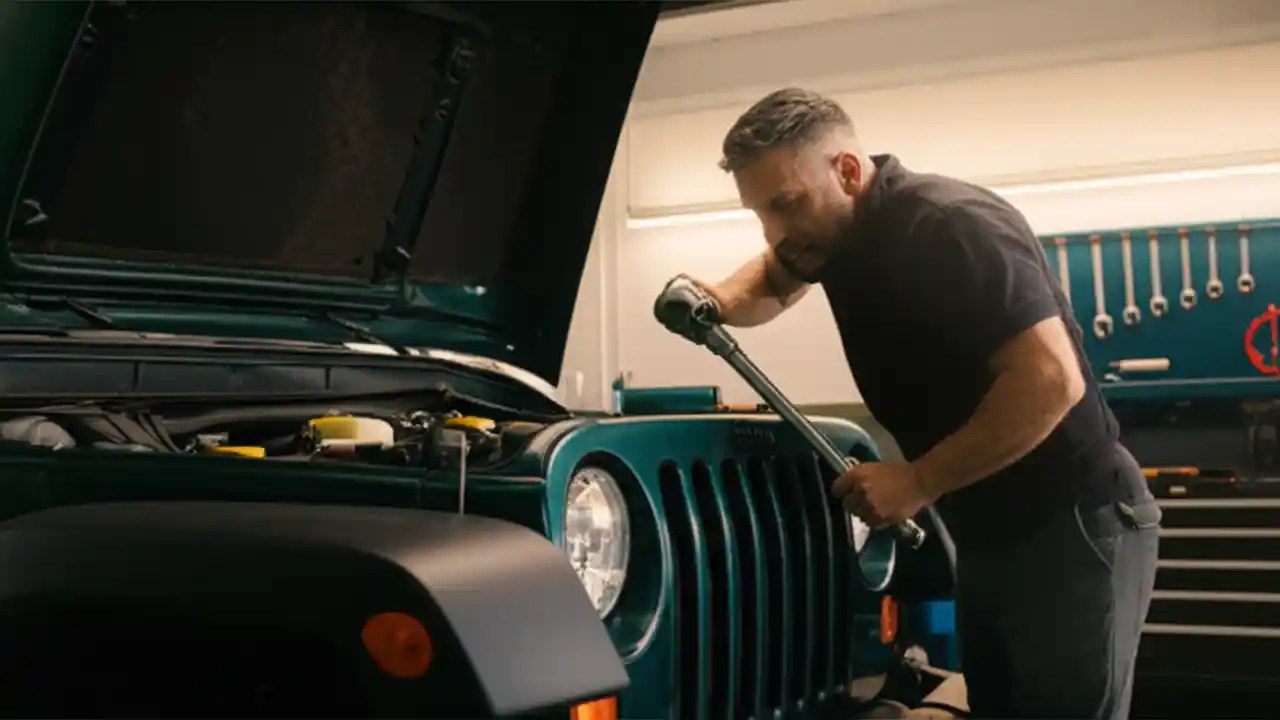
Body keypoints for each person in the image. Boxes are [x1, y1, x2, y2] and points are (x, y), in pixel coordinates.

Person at [663, 87, 1162, 719]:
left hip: (1070, 525)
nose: (776, 231)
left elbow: (1048, 381)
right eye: (760, 212)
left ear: (846, 170)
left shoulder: (947, 226)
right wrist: (712, 299)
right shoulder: (830, 238)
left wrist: (917, 480)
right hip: (990, 529)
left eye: (785, 204)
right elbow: (774, 275)